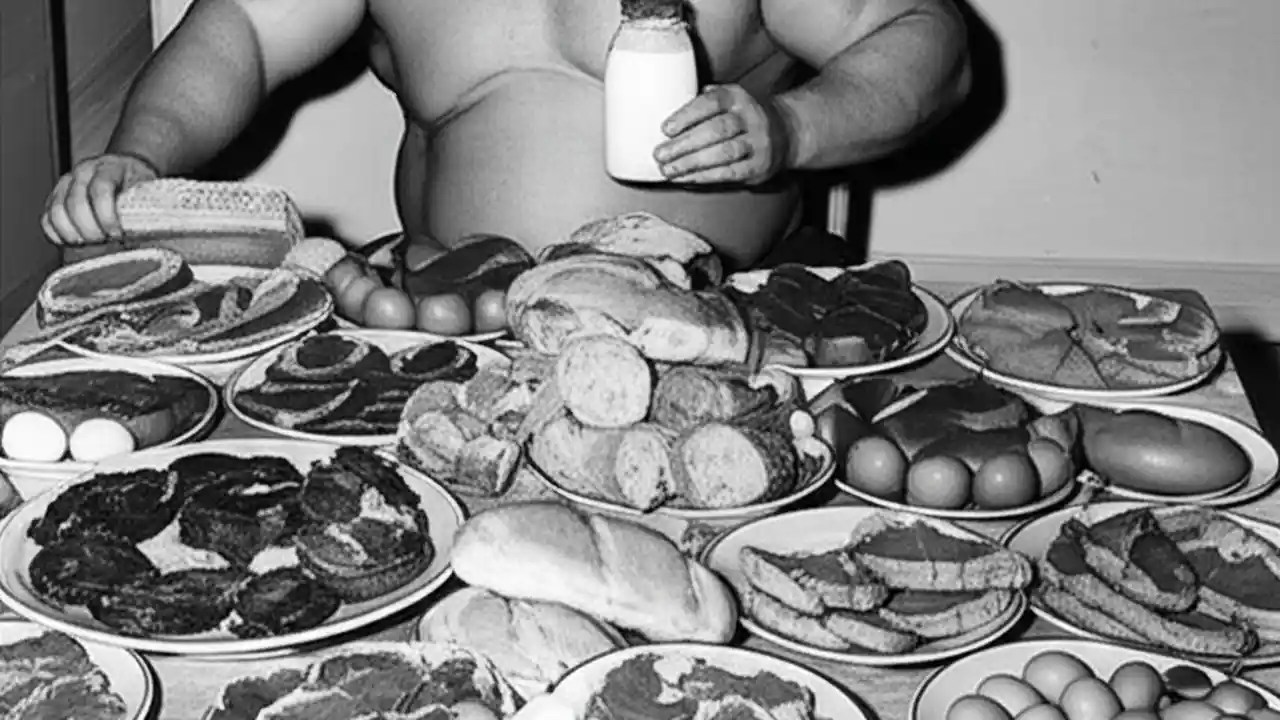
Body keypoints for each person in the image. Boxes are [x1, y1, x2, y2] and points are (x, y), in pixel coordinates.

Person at [40, 0, 970, 271]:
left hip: (721, 330)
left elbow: (925, 40)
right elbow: (238, 33)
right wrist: (144, 152)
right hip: (448, 329)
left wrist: (794, 124)